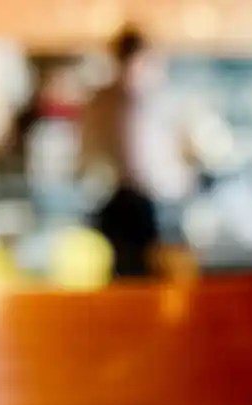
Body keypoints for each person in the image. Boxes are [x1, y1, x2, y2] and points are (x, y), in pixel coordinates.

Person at [80, 27, 181, 277]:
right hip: (116, 201)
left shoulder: (150, 101)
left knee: (144, 276)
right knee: (125, 276)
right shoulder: (107, 101)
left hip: (140, 201)